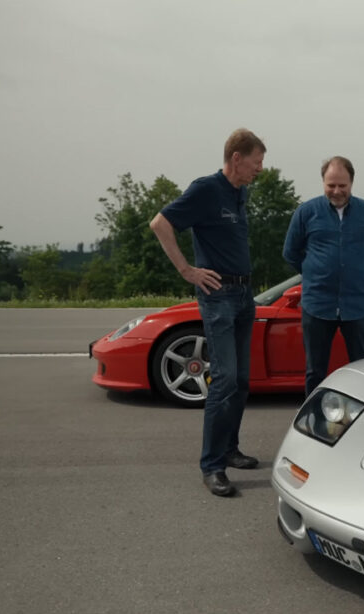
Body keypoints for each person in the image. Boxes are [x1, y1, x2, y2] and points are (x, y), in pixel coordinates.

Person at [150, 128, 266, 497]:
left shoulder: (239, 193)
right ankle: (212, 465)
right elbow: (160, 224)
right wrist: (187, 270)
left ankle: (229, 449)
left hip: (245, 294)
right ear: (237, 158)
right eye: (256, 163)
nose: (259, 170)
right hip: (218, 297)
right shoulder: (206, 189)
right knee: (226, 378)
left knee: (243, 380)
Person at [283, 156, 364, 395]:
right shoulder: (306, 212)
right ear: (323, 183)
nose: (336, 191)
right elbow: (290, 252)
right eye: (331, 185)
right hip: (317, 305)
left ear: (352, 183)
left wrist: (356, 273)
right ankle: (313, 422)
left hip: (356, 305)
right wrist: (315, 273)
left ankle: (363, 419)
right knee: (315, 371)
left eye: (342, 185)